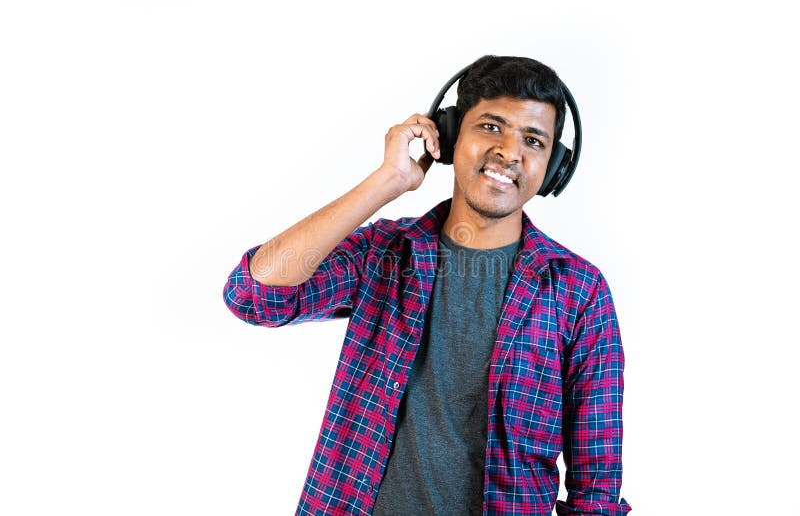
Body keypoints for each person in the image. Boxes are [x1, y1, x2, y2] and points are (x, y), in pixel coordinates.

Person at [223, 55, 631, 515]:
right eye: (491, 127)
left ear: (553, 165)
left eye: (533, 140)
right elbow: (253, 295)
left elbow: (596, 486)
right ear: (450, 136)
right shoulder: (385, 253)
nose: (510, 153)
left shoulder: (579, 291)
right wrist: (388, 181)